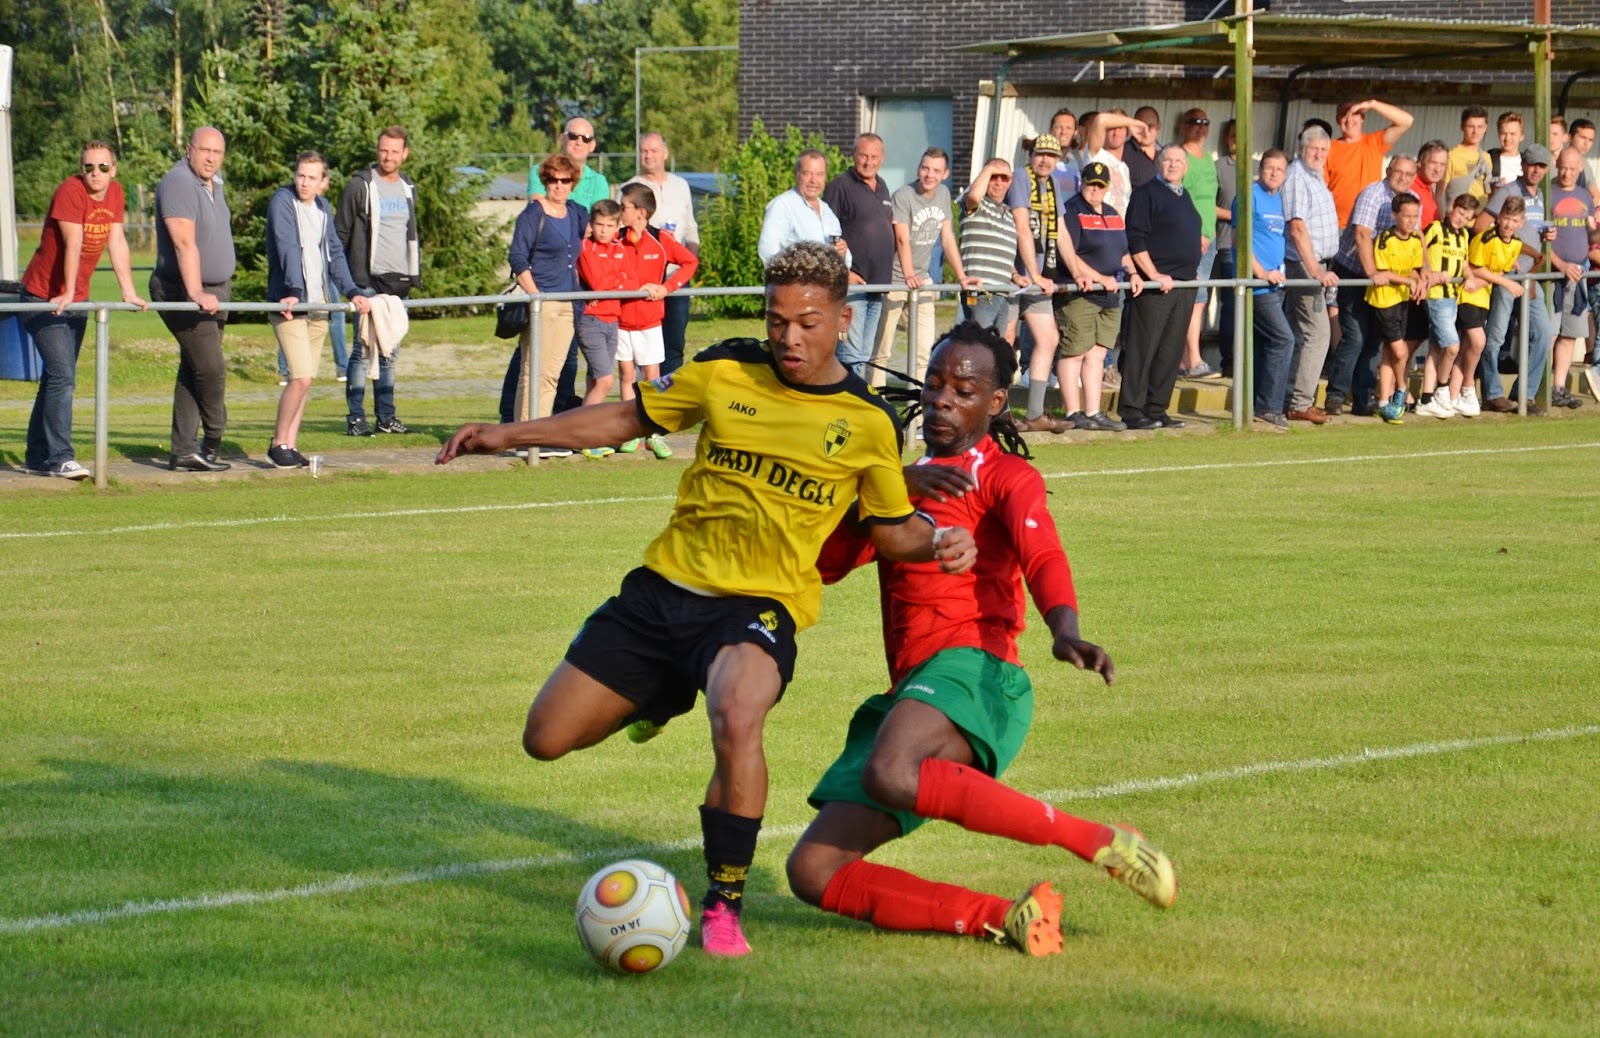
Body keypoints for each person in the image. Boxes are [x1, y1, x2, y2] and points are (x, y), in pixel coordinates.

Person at [435, 241, 977, 959]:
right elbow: (627, 420)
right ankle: (661, 697)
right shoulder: (723, 372)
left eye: (808, 323)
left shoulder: (868, 421)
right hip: (664, 591)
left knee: (738, 710)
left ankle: (724, 903)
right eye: (778, 319)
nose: (789, 336)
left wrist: (937, 540)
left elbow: (889, 531)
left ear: (842, 320)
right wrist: (507, 434)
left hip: (759, 604)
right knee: (546, 738)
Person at [785, 323, 1175, 958]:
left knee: (891, 770)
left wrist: (1064, 629)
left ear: (995, 403)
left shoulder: (1004, 474)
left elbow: (1042, 549)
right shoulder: (900, 480)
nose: (942, 399)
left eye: (963, 389)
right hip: (915, 689)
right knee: (813, 871)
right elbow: (827, 562)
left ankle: (1093, 838)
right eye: (936, 384)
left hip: (979, 671)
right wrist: (889, 492)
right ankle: (1003, 917)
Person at [18, 140, 146, 479]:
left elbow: (116, 242)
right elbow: (73, 242)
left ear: (113, 169)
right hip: (42, 297)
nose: (96, 173)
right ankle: (61, 456)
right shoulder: (70, 192)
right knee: (63, 375)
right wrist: (68, 291)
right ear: (81, 169)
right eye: (89, 167)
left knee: (54, 378)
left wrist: (128, 291)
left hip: (76, 299)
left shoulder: (116, 194)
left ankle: (37, 456)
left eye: (103, 167)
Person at [264, 151, 373, 468]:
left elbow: (334, 255)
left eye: (312, 177)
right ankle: (277, 443)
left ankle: (290, 444)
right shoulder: (282, 202)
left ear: (324, 181)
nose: (304, 182)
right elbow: (286, 246)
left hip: (318, 306)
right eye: (300, 175)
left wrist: (351, 290)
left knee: (307, 379)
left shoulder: (324, 209)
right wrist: (294, 292)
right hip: (290, 305)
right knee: (299, 378)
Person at [152, 126, 235, 472]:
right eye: (205, 151)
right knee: (211, 370)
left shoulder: (215, 184)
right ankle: (214, 439)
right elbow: (185, 243)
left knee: (193, 367)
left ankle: (183, 450)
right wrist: (196, 292)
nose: (211, 158)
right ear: (189, 150)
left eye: (217, 153)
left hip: (217, 291)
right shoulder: (179, 182)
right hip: (184, 290)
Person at [500, 154, 589, 459]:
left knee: (551, 372)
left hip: (568, 303)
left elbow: (594, 237)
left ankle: (536, 435)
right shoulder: (533, 214)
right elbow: (517, 258)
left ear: (573, 183)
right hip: (541, 301)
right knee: (533, 370)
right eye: (553, 180)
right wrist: (536, 297)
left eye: (565, 180)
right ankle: (527, 437)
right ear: (545, 181)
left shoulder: (577, 213)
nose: (559, 186)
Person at [336, 125, 420, 437]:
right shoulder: (360, 186)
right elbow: (340, 234)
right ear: (377, 150)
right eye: (384, 150)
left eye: (395, 151)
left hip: (399, 285)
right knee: (362, 350)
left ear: (404, 154)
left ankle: (386, 417)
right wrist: (346, 282)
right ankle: (356, 418)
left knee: (390, 351)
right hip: (366, 281)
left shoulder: (408, 187)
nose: (388, 156)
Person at [873, 147, 980, 388]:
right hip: (895, 278)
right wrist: (908, 273)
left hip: (921, 279)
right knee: (881, 350)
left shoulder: (943, 193)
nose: (929, 174)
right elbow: (902, 238)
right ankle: (875, 405)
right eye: (925, 168)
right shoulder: (904, 195)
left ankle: (920, 412)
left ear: (945, 174)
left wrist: (961, 276)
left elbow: (947, 238)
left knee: (924, 350)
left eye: (935, 170)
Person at [1325, 153, 1418, 416]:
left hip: (1387, 282)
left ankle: (1362, 398)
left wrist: (1422, 274)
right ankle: (1335, 394)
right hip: (1356, 272)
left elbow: (1415, 238)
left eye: (1409, 174)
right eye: (1399, 172)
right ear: (1389, 170)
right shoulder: (1373, 195)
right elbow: (1362, 233)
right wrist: (1372, 272)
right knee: (1355, 337)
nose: (1404, 178)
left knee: (1374, 341)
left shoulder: (1412, 201)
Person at [532, 117, 612, 412]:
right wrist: (581, 224)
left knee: (571, 351)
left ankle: (562, 412)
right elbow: (539, 212)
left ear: (593, 145)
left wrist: (577, 223)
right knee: (533, 353)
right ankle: (517, 417)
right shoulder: (537, 172)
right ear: (562, 138)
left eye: (586, 138)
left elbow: (601, 225)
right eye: (574, 135)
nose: (579, 141)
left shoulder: (598, 181)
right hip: (547, 275)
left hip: (583, 276)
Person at [615, 181, 698, 458]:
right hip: (621, 322)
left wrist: (667, 288)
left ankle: (652, 432)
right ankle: (630, 433)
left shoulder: (660, 240)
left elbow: (690, 263)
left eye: (624, 206)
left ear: (640, 212)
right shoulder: (616, 238)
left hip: (650, 323)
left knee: (651, 378)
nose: (619, 211)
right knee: (626, 376)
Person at [1123, 147, 1201, 431]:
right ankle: (1132, 410)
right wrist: (1154, 274)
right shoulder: (1146, 194)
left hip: (1184, 285)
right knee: (1143, 349)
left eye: (1178, 161)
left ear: (1186, 167)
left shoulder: (1185, 196)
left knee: (1170, 351)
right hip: (1156, 287)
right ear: (1158, 163)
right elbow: (1136, 238)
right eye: (1167, 160)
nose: (1172, 165)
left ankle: (1157, 409)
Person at [1475, 143, 1555, 413]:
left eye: (1542, 166)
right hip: (1507, 274)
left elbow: (1527, 229)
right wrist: (1494, 264)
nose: (1537, 170)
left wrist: (1544, 236)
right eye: (1532, 164)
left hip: (1529, 277)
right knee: (1496, 337)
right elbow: (1480, 226)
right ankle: (1492, 393)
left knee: (1543, 333)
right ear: (1523, 164)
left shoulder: (1541, 194)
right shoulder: (1508, 191)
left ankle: (1524, 394)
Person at [620, 133, 700, 376]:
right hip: (644, 281)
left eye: (653, 150)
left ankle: (669, 395)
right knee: (641, 348)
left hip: (675, 277)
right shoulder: (630, 188)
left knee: (674, 340)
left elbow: (689, 226)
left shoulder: (681, 185)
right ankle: (639, 399)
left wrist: (690, 258)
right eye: (643, 150)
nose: (648, 155)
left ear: (665, 153)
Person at [1005, 133, 1068, 433]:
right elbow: (1021, 225)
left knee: (1048, 339)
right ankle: (998, 415)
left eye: (1051, 156)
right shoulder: (1020, 176)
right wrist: (1034, 273)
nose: (1045, 160)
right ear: (1031, 155)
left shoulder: (1052, 184)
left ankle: (1035, 413)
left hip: (1036, 279)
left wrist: (1081, 271)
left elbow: (1062, 233)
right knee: (1003, 344)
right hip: (1012, 276)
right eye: (1040, 154)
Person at [1281, 126, 1341, 424]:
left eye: (1323, 150)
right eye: (1313, 148)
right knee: (1317, 334)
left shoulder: (1315, 176)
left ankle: (1292, 396)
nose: (1318, 154)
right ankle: (1300, 402)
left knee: (1303, 334)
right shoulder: (1296, 177)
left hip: (1321, 265)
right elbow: (1297, 228)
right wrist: (1315, 269)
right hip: (1306, 265)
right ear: (1302, 148)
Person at [1447, 197, 1526, 417]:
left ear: (1522, 222)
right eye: (1506, 219)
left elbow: (1499, 270)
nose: (1509, 224)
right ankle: (1468, 388)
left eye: (1515, 220)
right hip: (1468, 298)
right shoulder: (1485, 238)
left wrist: (1495, 279)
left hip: (1483, 298)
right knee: (1478, 342)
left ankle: (1453, 397)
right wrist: (1506, 282)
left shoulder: (1517, 243)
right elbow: (1474, 268)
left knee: (1466, 348)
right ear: (1499, 218)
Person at [824, 133, 894, 376]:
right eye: (863, 155)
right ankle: (843, 404)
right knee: (851, 355)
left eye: (874, 156)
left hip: (878, 284)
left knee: (864, 354)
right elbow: (826, 235)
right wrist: (844, 273)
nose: (868, 161)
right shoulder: (840, 186)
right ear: (853, 155)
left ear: (882, 158)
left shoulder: (883, 186)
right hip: (854, 285)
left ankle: (856, 404)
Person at [1240, 149, 1296, 429]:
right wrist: (1261, 272)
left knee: (1266, 344)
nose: (1274, 173)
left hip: (1278, 283)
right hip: (1260, 285)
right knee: (1284, 339)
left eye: (1280, 169)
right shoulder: (1249, 195)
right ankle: (1270, 407)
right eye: (1269, 168)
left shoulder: (1278, 200)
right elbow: (1242, 240)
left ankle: (1256, 403)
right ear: (1260, 170)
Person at [1414, 194, 1479, 419]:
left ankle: (1426, 399)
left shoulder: (1463, 236)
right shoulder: (1435, 229)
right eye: (1461, 213)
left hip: (1453, 297)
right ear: (1452, 208)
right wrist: (1429, 271)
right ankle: (1442, 389)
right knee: (1452, 347)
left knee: (1436, 349)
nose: (1462, 219)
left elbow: (1464, 263)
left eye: (1468, 217)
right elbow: (1419, 242)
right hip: (1436, 295)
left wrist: (1469, 276)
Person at [1365, 193, 1428, 425]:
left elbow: (1412, 269)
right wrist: (1411, 282)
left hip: (1402, 300)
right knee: (1401, 353)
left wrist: (1419, 280)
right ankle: (1401, 388)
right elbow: (1384, 272)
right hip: (1384, 301)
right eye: (1407, 216)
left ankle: (1383, 403)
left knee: (1390, 354)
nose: (1412, 221)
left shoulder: (1414, 241)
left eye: (1415, 216)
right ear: (1395, 216)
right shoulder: (1385, 239)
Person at [1545, 146, 1599, 409]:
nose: (1566, 173)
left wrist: (1597, 229)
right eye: (1562, 167)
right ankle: (1537, 386)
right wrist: (1561, 264)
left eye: (1572, 169)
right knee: (1549, 334)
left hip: (1578, 275)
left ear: (1580, 170)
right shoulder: (1548, 193)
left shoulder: (1585, 197)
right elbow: (1541, 240)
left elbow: (1591, 238)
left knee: (1570, 334)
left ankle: (1559, 387)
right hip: (1553, 275)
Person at [573, 198, 627, 448]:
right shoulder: (585, 247)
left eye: (609, 225)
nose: (603, 230)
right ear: (591, 225)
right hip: (591, 320)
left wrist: (614, 280)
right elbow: (596, 281)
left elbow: (629, 280)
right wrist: (615, 280)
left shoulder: (620, 249)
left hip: (612, 320)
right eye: (599, 224)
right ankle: (584, 435)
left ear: (617, 227)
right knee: (606, 380)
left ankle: (585, 434)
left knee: (595, 380)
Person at [1177, 109, 1220, 382]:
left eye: (1205, 122)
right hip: (1192, 238)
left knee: (1200, 301)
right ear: (1183, 126)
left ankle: (1188, 358)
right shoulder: (1182, 156)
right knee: (1193, 299)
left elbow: (1209, 200)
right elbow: (1180, 197)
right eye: (1194, 122)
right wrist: (1195, 233)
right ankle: (1192, 359)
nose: (1200, 127)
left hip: (1211, 237)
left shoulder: (1208, 161)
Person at [1326, 98, 1414, 227]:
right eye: (1344, 115)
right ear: (1338, 120)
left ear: (1362, 119)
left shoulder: (1374, 143)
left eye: (1355, 114)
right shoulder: (1328, 148)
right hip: (1336, 225)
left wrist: (1373, 104)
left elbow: (1406, 121)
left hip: (1369, 224)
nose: (1349, 120)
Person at [957, 158, 1021, 334]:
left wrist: (1014, 274)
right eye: (994, 176)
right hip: (979, 292)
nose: (999, 182)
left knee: (996, 348)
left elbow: (1000, 252)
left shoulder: (1009, 214)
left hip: (1002, 292)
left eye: (1004, 178)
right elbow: (974, 196)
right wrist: (990, 168)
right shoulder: (975, 204)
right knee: (980, 344)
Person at [757, 150, 847, 263]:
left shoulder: (827, 211)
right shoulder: (782, 206)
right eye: (807, 173)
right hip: (796, 280)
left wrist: (843, 252)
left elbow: (841, 262)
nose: (814, 180)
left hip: (825, 280)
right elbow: (767, 252)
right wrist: (796, 277)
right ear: (796, 174)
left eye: (819, 174)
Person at [1444, 106, 1493, 206]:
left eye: (1480, 127)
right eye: (1471, 126)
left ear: (1486, 128)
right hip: (1458, 218)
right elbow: (1440, 193)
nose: (1475, 131)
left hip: (1481, 219)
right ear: (1462, 126)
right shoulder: (1451, 156)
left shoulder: (1486, 157)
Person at [1487, 112, 1524, 191]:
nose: (1507, 138)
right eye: (1504, 133)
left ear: (1521, 136)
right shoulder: (1488, 159)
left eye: (1512, 134)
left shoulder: (1527, 162)